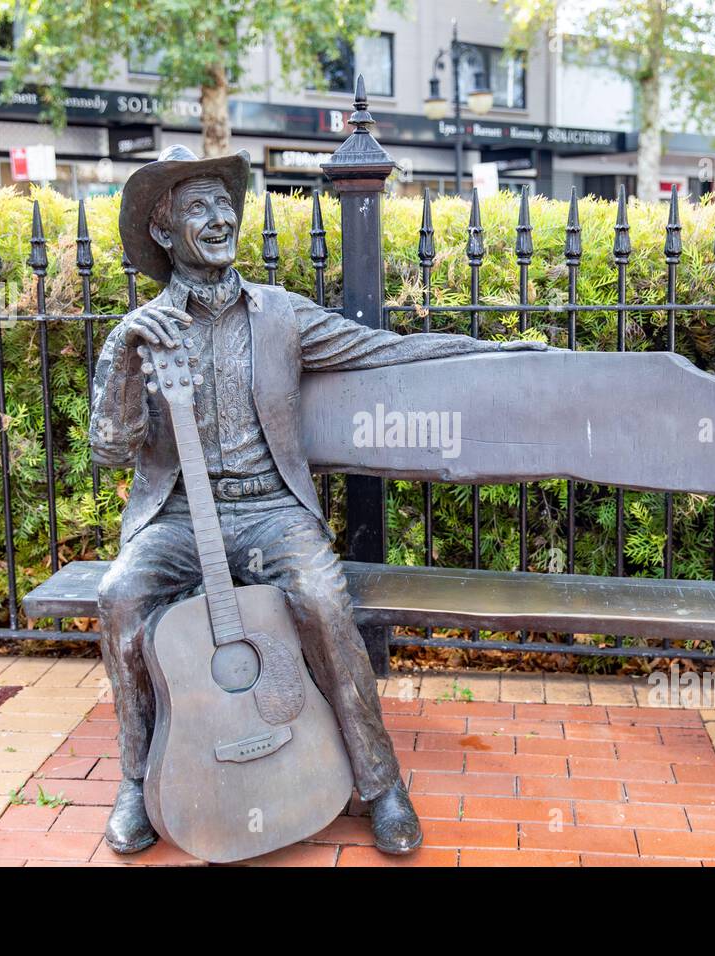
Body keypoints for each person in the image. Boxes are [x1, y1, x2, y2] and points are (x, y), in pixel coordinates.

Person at [91, 144, 545, 857]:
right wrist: (120, 359)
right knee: (120, 595)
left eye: (223, 204)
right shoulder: (142, 333)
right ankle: (132, 782)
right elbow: (110, 451)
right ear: (162, 231)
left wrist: (505, 352)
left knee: (324, 601)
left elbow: (385, 351)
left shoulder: (280, 316)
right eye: (197, 208)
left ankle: (379, 782)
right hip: (179, 518)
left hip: (270, 512)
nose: (218, 220)